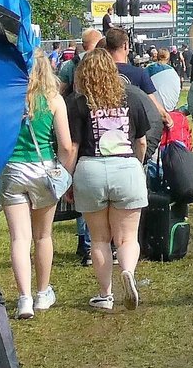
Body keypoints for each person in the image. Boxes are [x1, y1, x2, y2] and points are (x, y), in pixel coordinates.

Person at [64, 43, 158, 312]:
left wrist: (67, 180)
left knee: (100, 239)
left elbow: (71, 147)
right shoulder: (131, 97)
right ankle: (127, 271)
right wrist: (137, 167)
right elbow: (141, 142)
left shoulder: (77, 102)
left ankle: (105, 295)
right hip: (126, 167)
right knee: (128, 238)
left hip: (90, 169)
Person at [0, 58, 65, 320]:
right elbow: (66, 143)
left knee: (19, 238)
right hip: (44, 168)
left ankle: (24, 298)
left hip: (12, 168)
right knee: (43, 236)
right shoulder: (54, 100)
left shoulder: (8, 98)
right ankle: (42, 292)